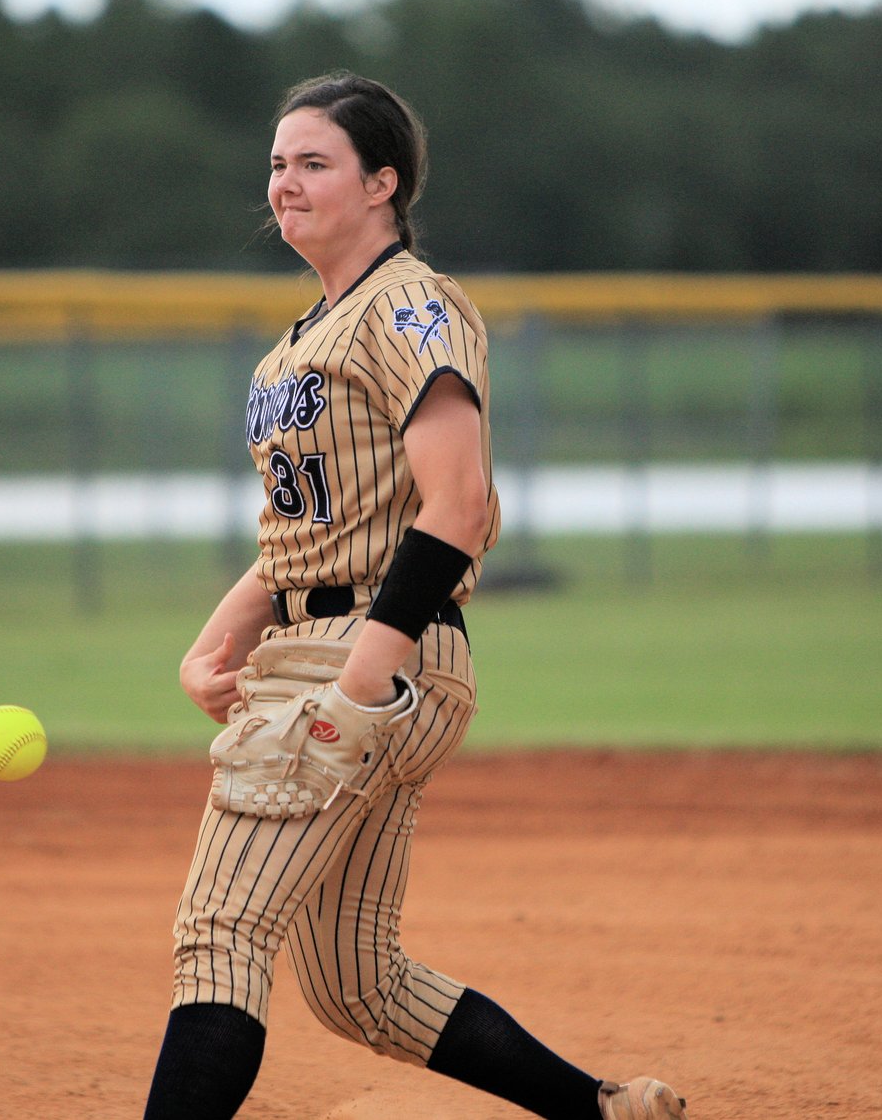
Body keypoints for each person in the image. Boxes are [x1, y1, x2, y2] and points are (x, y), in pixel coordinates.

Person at [142, 73, 688, 1120]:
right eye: (277, 163)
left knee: (222, 932)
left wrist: (363, 678)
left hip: (366, 656)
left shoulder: (407, 306)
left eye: (314, 163)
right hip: (335, 651)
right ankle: (607, 1111)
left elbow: (458, 504)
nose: (285, 183)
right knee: (359, 984)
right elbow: (306, 538)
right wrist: (215, 643)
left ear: (381, 183)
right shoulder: (298, 342)